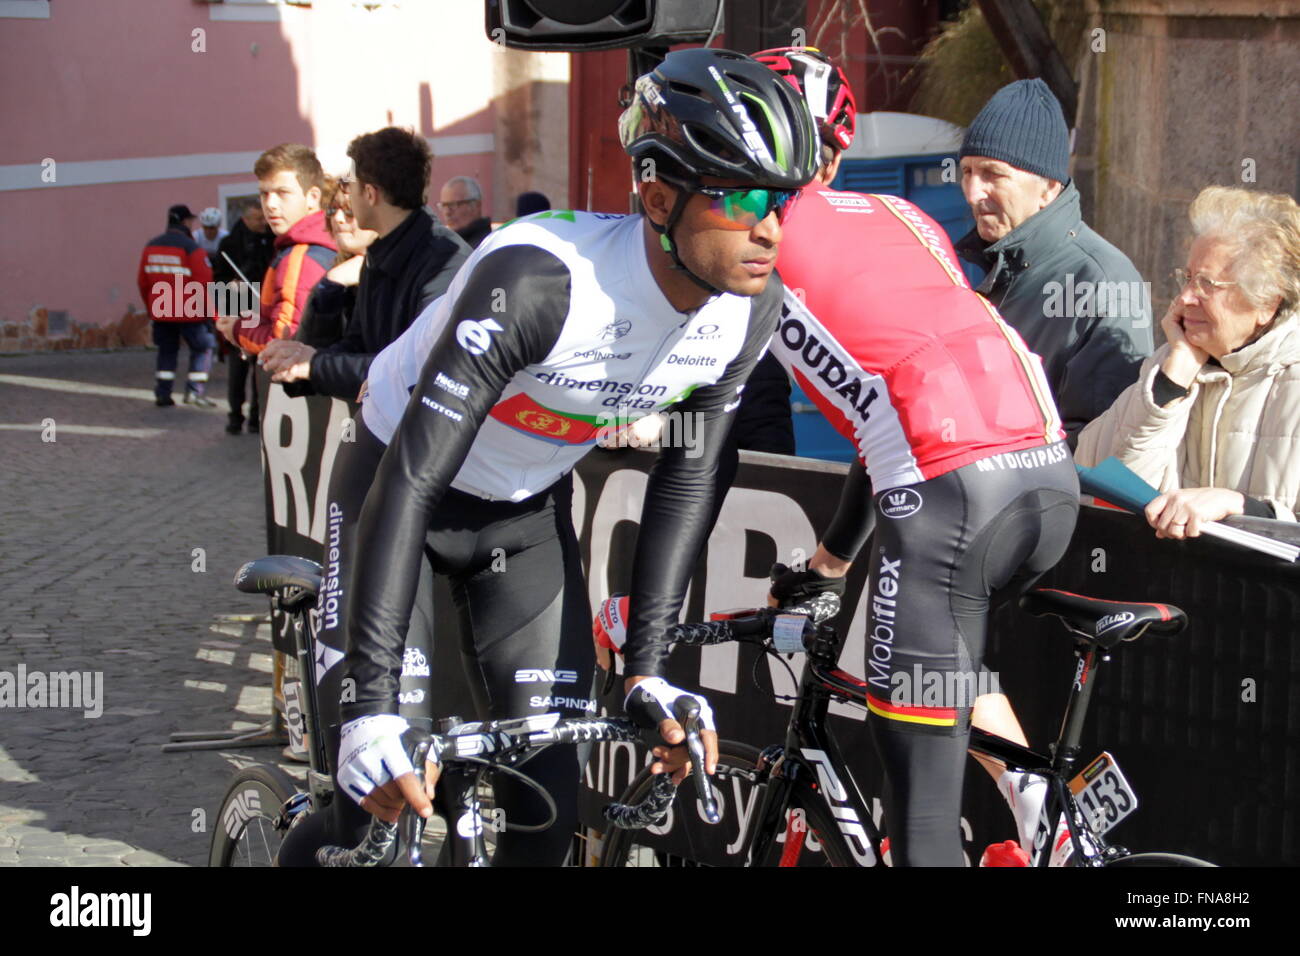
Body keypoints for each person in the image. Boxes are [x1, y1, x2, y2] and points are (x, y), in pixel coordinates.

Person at [274, 48, 819, 867]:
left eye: (783, 199)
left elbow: (690, 476)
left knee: (548, 813)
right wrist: (373, 705)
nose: (770, 227)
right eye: (741, 197)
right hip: (399, 490)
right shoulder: (539, 282)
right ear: (658, 197)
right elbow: (412, 479)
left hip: (524, 519)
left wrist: (646, 670)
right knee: (373, 810)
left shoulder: (748, 310)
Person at [752, 50, 1079, 867]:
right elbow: (899, 401)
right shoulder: (905, 216)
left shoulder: (751, 233)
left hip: (952, 499)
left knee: (922, 822)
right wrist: (831, 561)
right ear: (835, 156)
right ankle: (1051, 826)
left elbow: (713, 419)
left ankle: (1040, 830)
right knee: (947, 665)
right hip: (1047, 480)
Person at [1076, 186, 1300, 531]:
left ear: (1267, 303)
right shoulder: (1174, 362)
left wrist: (1243, 507)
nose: (1184, 298)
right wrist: (1171, 383)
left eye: (1207, 284)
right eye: (1188, 278)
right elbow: (1100, 486)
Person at [956, 79, 1152, 446]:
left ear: (1048, 188)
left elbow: (1100, 442)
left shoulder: (1105, 283)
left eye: (992, 173)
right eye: (967, 172)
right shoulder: (983, 262)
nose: (972, 192)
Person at [260, 127, 470, 401]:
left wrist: (315, 364)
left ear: (370, 194)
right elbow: (358, 343)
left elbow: (417, 366)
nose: (345, 194)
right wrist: (305, 360)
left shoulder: (445, 261)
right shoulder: (379, 253)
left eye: (350, 184)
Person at [215, 143, 337, 356]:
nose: (270, 204)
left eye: (283, 193)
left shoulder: (300, 256)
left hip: (303, 374)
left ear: (313, 197)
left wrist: (236, 329)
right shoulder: (328, 236)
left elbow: (282, 341)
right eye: (264, 194)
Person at [136, 203, 217, 407]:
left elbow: (143, 282)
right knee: (203, 347)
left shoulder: (151, 246)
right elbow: (204, 283)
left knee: (167, 351)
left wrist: (151, 308)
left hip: (162, 309)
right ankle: (194, 392)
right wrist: (212, 313)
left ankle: (163, 393)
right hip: (190, 311)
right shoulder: (192, 248)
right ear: (185, 222)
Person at [213, 201, 275, 433]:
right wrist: (230, 285)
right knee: (237, 368)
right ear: (245, 219)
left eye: (263, 218)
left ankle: (256, 417)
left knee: (260, 366)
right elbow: (218, 279)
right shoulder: (229, 244)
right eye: (258, 219)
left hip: (262, 307)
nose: (263, 222)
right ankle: (234, 416)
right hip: (238, 307)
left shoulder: (272, 240)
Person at [437, 175, 492, 248]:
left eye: (453, 205)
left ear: (476, 205)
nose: (447, 212)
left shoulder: (485, 246)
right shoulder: (446, 243)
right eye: (444, 206)